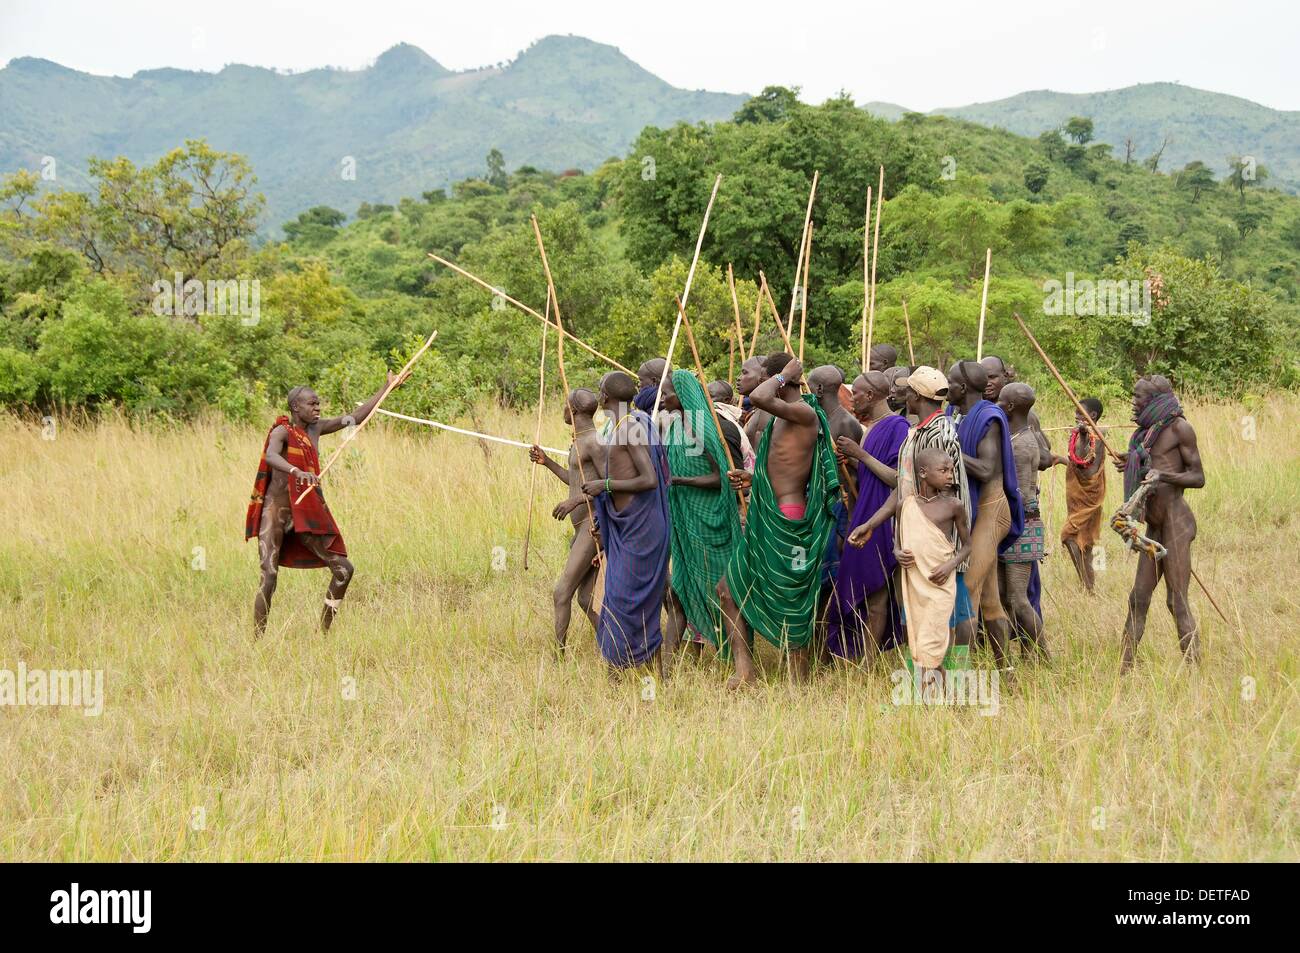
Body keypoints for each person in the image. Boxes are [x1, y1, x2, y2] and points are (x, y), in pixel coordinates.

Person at [246, 371, 408, 635]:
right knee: (269, 577)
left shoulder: (316, 429)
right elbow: (271, 456)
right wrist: (296, 472)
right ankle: (257, 639)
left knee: (344, 570)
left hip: (304, 512)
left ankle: (323, 632)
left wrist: (387, 388)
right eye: (312, 404)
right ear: (296, 407)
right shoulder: (282, 431)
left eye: (318, 403)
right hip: (275, 512)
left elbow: (353, 418)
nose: (317, 407)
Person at [718, 354, 840, 687]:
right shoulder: (775, 417)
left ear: (778, 378)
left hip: (788, 519)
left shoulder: (803, 413)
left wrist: (784, 374)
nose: (756, 383)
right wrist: (752, 479)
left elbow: (757, 396)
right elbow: (780, 467)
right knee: (728, 589)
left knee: (792, 599)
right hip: (765, 515)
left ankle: (798, 683)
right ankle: (745, 672)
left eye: (766, 378)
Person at [847, 366, 976, 663]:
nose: (901, 395)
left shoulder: (940, 434)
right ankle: (927, 677)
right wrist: (872, 524)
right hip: (915, 541)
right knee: (916, 609)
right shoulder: (916, 432)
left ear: (916, 397)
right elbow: (905, 488)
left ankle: (953, 676)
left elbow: (947, 495)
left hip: (940, 543)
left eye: (906, 392)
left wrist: (942, 548)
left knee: (951, 613)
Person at [581, 371, 672, 675]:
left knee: (624, 602)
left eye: (599, 390)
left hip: (642, 530)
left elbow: (648, 479)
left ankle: (625, 677)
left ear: (605, 397)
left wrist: (604, 486)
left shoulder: (630, 427)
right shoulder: (625, 424)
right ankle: (647, 678)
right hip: (631, 526)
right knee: (633, 603)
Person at [1115, 376, 1204, 671]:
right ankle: (1124, 669)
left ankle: (1195, 670)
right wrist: (1130, 461)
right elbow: (1152, 462)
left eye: (1138, 397)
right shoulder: (1147, 433)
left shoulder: (1180, 427)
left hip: (1176, 523)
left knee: (1176, 600)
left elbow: (1198, 477)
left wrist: (1163, 476)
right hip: (1154, 528)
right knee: (1138, 598)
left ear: (1154, 401)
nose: (1133, 402)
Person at [944, 360, 1024, 666]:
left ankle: (957, 677)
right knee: (991, 603)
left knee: (965, 594)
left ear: (962, 388)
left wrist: (951, 452)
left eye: (949, 383)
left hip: (991, 511)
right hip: (971, 510)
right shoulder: (954, 414)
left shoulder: (989, 418)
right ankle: (1007, 672)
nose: (945, 387)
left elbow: (988, 468)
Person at [660, 371, 744, 661]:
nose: (663, 398)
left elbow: (722, 477)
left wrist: (683, 481)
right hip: (684, 523)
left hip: (709, 522)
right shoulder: (675, 426)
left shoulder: (703, 428)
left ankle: (737, 659)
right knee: (681, 591)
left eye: (667, 393)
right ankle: (669, 666)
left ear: (682, 396)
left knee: (721, 593)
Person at [829, 371, 910, 660]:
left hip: (882, 520)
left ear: (872, 396)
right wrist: (850, 459)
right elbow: (869, 475)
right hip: (864, 513)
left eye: (857, 394)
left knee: (877, 593)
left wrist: (860, 456)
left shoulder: (898, 427)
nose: (852, 399)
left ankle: (869, 663)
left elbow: (897, 479)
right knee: (863, 590)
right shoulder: (872, 428)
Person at [530, 388, 603, 652]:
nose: (562, 410)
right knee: (585, 599)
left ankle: (559, 656)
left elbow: (607, 486)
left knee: (562, 592)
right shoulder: (580, 441)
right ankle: (614, 646)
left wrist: (575, 502)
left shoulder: (594, 442)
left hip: (593, 525)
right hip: (580, 526)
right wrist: (547, 462)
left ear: (575, 410)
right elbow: (576, 482)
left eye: (565, 405)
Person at [894, 448, 972, 693]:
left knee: (933, 642)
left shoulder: (954, 506)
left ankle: (937, 697)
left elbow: (968, 546)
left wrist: (950, 565)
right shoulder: (905, 505)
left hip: (940, 585)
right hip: (915, 584)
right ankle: (938, 696)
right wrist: (897, 552)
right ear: (923, 473)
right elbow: (896, 541)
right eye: (944, 470)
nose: (950, 475)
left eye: (951, 470)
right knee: (918, 640)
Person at [996, 382, 1050, 658]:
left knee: (1018, 600)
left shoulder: (1021, 445)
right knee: (1007, 597)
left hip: (1021, 526)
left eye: (1001, 400)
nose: (997, 404)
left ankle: (1043, 654)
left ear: (1011, 407)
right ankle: (1025, 655)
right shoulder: (1020, 436)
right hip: (1018, 525)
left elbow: (1015, 492)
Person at [809, 366, 863, 643]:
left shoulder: (845, 423)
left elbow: (855, 475)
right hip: (816, 507)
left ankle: (831, 643)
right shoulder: (815, 419)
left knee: (831, 582)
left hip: (840, 508)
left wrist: (850, 521)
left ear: (819, 390)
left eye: (810, 386)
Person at [1061, 397, 1107, 594]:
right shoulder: (1078, 435)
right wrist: (1061, 459)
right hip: (1076, 498)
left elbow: (1088, 472)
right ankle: (1091, 588)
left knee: (1068, 536)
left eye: (1080, 413)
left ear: (1093, 416)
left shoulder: (1095, 438)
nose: (1076, 416)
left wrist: (1084, 439)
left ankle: (1087, 585)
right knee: (1086, 542)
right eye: (1076, 412)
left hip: (1090, 497)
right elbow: (1075, 461)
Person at [707, 379, 754, 473]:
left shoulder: (723, 421)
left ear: (726, 400)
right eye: (704, 394)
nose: (705, 399)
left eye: (710, 396)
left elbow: (736, 470)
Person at [736, 356, 773, 450]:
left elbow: (759, 456)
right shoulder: (759, 409)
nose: (738, 378)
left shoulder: (768, 410)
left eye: (745, 372)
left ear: (762, 377)